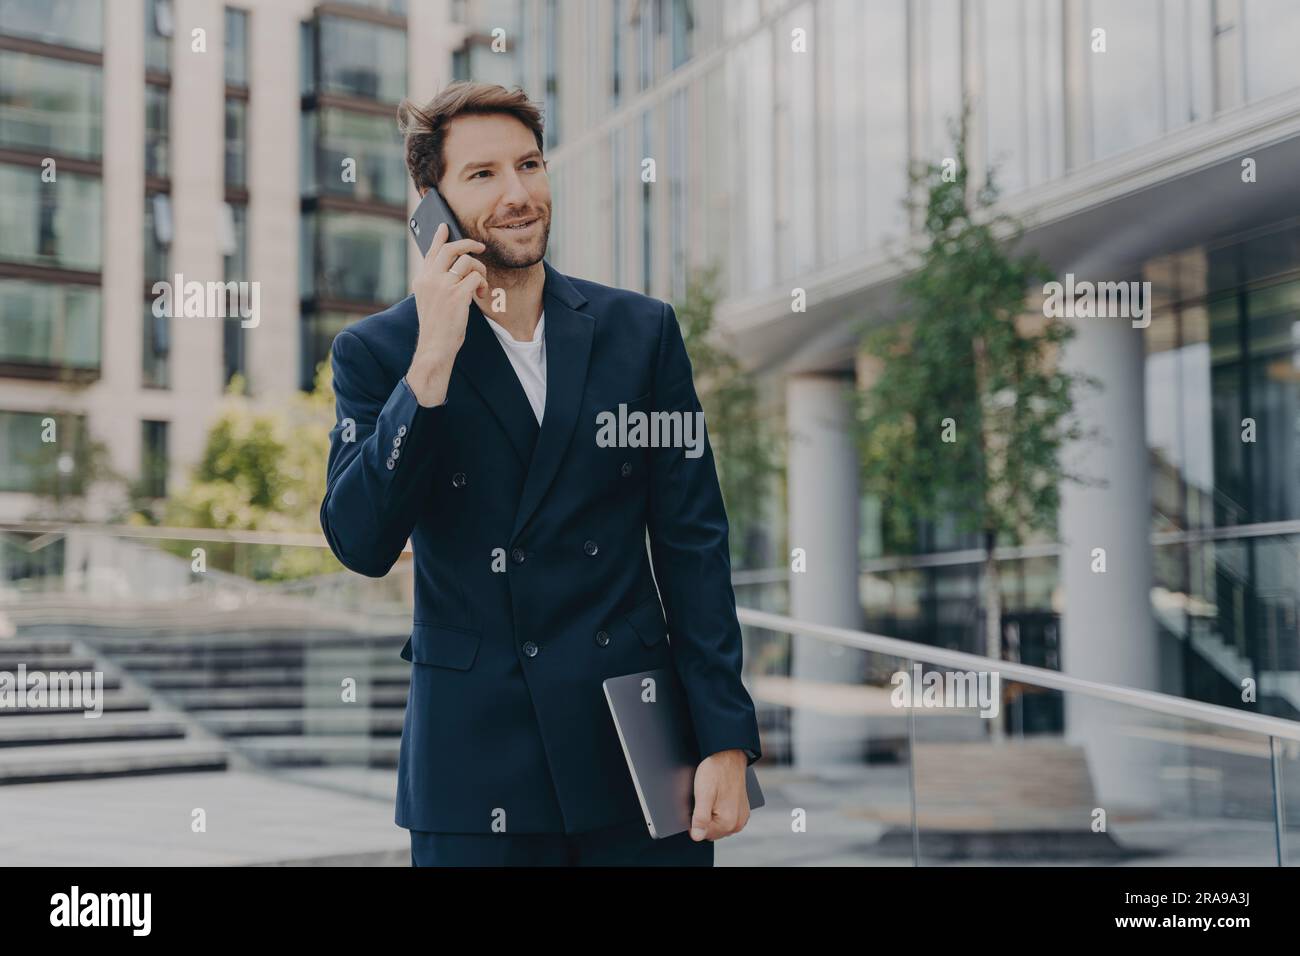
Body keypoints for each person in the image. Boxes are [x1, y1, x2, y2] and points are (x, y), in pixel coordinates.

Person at [320, 81, 761, 866]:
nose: (519, 194)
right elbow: (359, 541)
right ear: (432, 204)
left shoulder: (642, 331)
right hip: (476, 762)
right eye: (483, 174)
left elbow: (695, 544)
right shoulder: (381, 353)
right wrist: (432, 361)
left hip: (639, 749)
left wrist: (725, 738)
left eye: (529, 164)